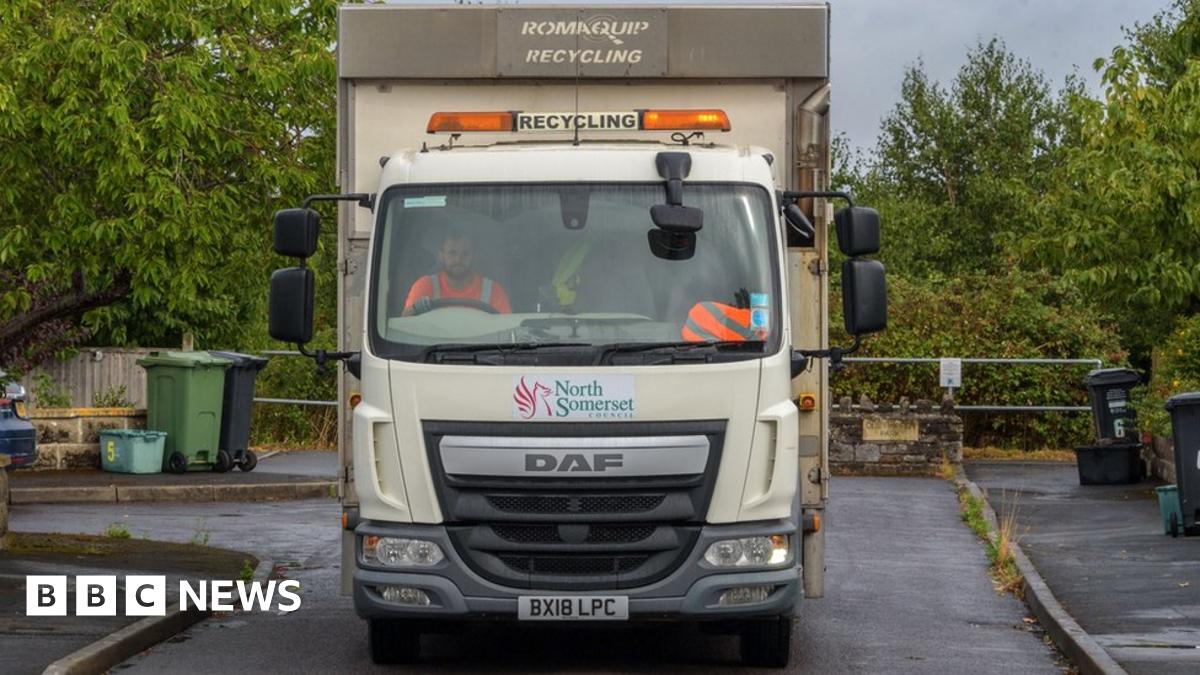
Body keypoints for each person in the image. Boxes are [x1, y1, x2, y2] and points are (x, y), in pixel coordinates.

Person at [403, 231, 512, 315]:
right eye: (452, 253)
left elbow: (507, 330)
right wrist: (415, 310)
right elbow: (406, 324)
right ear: (441, 256)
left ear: (473, 256)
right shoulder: (425, 285)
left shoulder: (492, 290)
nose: (458, 259)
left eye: (465, 253)